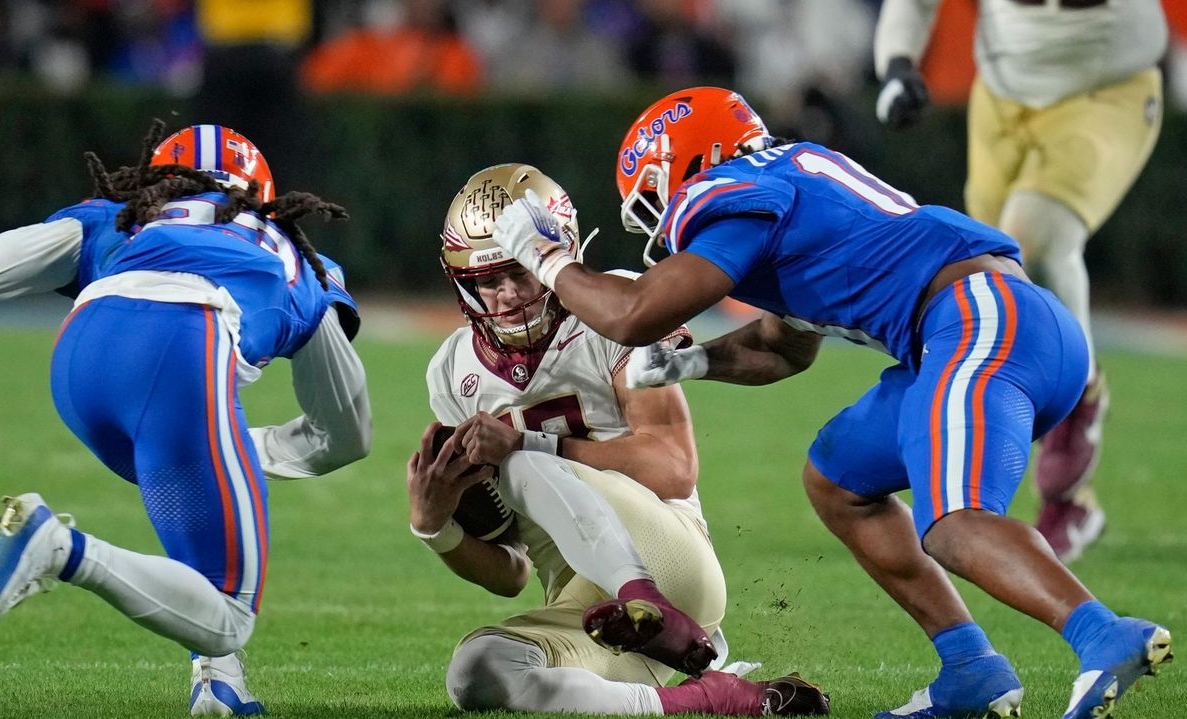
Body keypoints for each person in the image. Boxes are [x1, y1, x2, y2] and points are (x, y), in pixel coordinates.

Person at [485, 87, 1173, 719]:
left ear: (688, 165)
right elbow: (786, 346)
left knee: (956, 522)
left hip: (978, 324)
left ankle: (1103, 633)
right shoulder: (792, 177)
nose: (664, 223)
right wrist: (697, 360)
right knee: (839, 477)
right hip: (991, 325)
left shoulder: (732, 189)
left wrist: (547, 260)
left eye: (657, 198)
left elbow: (632, 312)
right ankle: (970, 668)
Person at [0, 122, 372, 717]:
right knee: (231, 614)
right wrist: (251, 448)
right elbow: (345, 433)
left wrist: (86, 227)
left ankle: (219, 687)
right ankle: (57, 547)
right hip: (183, 345)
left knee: (199, 511)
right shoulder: (295, 253)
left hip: (79, 363)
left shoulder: (120, 217)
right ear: (264, 196)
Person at [406, 163, 830, 716]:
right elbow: (512, 573)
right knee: (478, 673)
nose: (507, 294)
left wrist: (528, 447)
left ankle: (644, 601)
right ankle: (710, 699)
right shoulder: (450, 372)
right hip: (589, 611)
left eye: (519, 272)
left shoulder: (618, 309)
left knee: (519, 456)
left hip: (669, 563)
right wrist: (434, 527)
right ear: (461, 282)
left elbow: (674, 466)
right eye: (487, 280)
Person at [874, 0, 1170, 563]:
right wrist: (896, 64)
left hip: (1105, 93)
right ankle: (1059, 497)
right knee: (984, 267)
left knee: (1039, 239)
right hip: (1003, 95)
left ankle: (1079, 394)